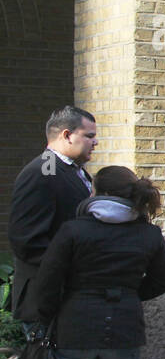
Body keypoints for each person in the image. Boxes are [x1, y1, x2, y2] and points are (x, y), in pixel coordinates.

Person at [30, 166, 165, 359]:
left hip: (76, 326)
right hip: (125, 328)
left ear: (97, 193)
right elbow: (162, 281)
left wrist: (49, 317)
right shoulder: (149, 234)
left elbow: (47, 283)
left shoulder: (73, 230)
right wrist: (128, 295)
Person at [8, 106, 98, 330]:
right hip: (48, 299)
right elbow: (26, 241)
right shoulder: (42, 171)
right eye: (89, 136)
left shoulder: (73, 170)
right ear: (67, 135)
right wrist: (74, 267)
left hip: (68, 297)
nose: (95, 143)